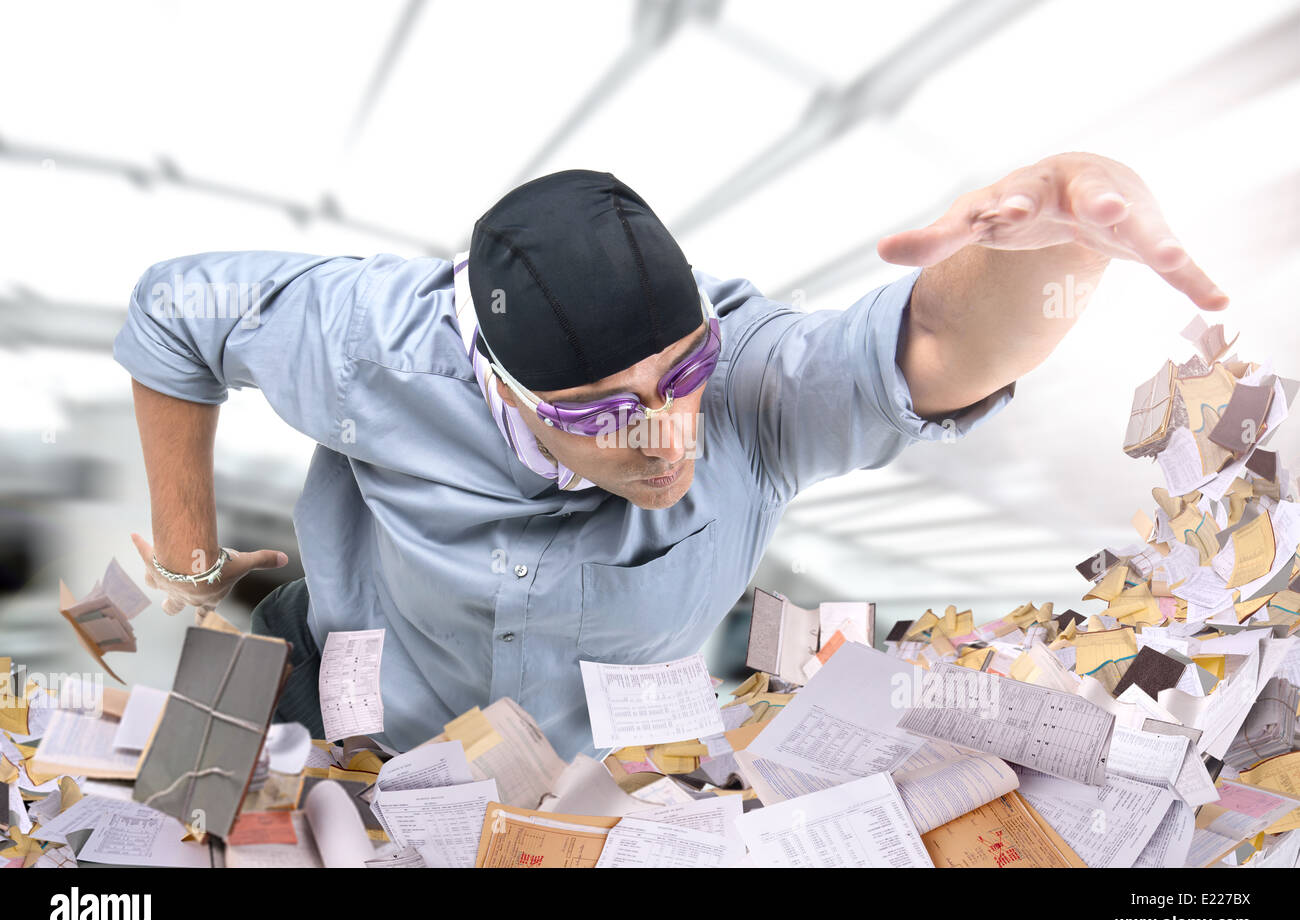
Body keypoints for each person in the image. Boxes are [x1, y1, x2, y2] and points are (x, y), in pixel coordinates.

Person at [115, 157, 1226, 759]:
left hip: (593, 782)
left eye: (681, 375)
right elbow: (176, 311)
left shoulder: (752, 382)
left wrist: (1055, 251)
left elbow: (932, 346)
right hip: (337, 720)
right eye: (599, 413)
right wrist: (190, 557)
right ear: (494, 382)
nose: (664, 435)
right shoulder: (367, 342)